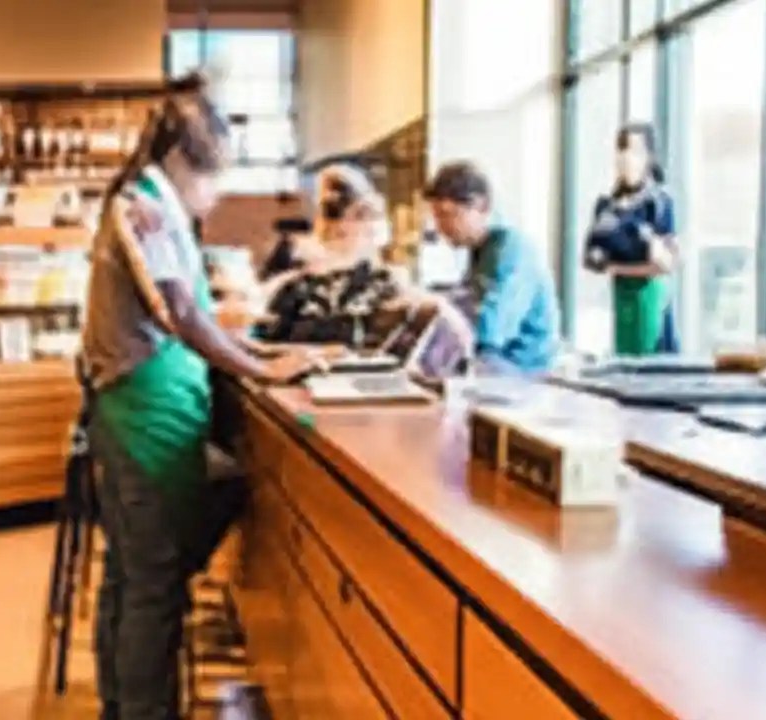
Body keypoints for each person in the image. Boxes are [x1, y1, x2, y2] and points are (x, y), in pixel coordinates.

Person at [80, 73, 313, 720]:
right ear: (186, 159)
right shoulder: (143, 206)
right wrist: (261, 370)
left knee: (136, 579)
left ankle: (121, 705)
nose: (215, 195)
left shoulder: (151, 203)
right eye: (213, 177)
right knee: (151, 585)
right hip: (141, 421)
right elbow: (181, 311)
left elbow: (192, 312)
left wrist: (259, 355)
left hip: (150, 415)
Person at [255, 163, 470, 376]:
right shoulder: (293, 284)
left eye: (358, 215)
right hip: (299, 381)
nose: (342, 225)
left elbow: (447, 327)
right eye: (332, 212)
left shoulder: (384, 281)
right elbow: (259, 345)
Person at [424, 161, 558, 373]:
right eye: (437, 217)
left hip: (521, 370)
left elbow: (492, 329)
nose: (441, 227)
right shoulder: (481, 251)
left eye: (448, 214)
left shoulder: (514, 250)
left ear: (482, 206)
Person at [584, 123, 680, 356]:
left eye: (635, 151)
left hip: (649, 299)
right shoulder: (607, 206)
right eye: (622, 150)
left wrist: (619, 266)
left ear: (649, 157)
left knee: (651, 363)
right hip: (622, 298)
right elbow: (592, 258)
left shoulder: (657, 202)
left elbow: (666, 262)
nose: (626, 158)